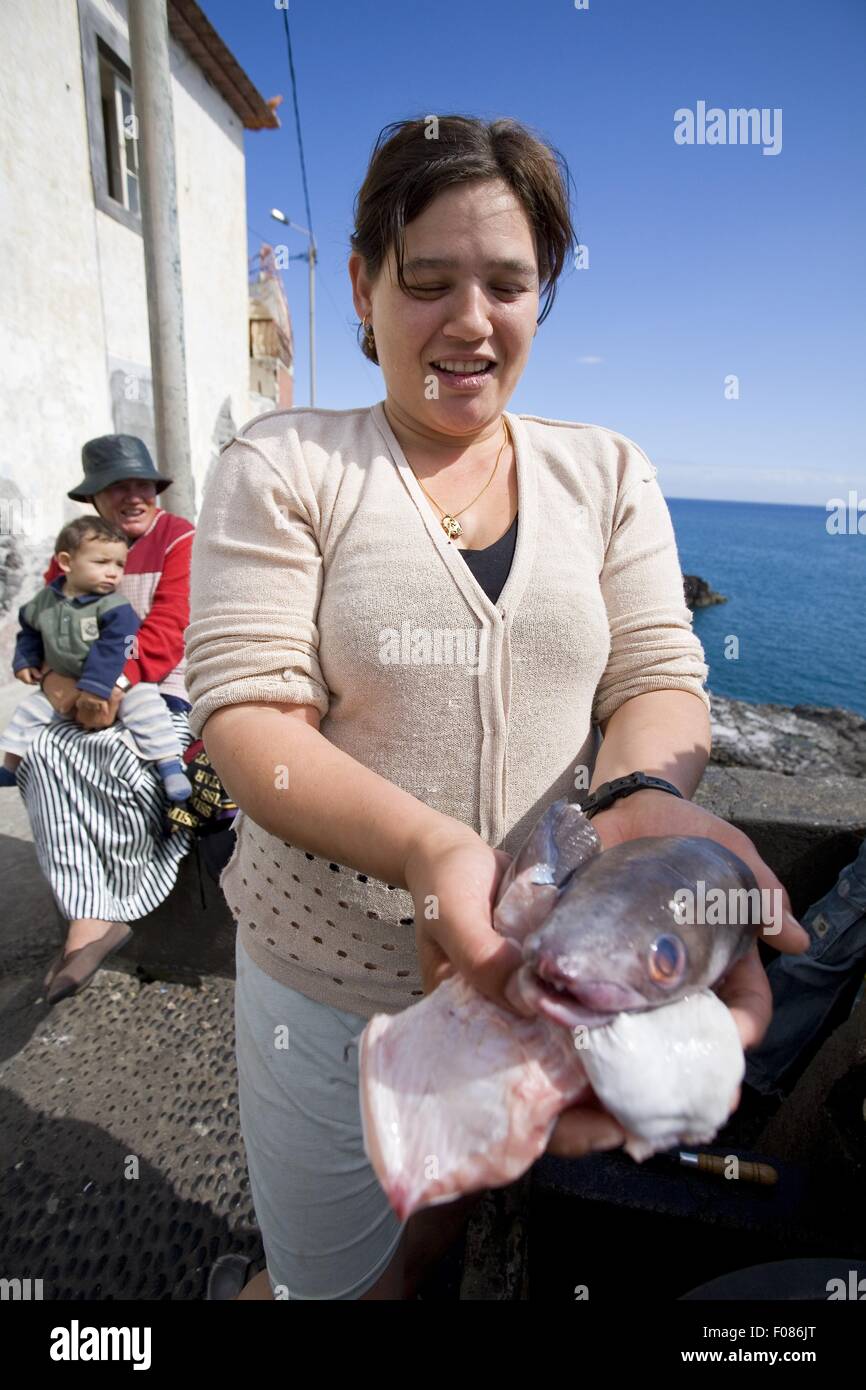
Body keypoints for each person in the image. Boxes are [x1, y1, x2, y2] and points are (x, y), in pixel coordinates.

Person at [185, 115, 810, 1302]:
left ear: (543, 297)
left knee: (435, 1238)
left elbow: (654, 676)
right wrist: (429, 849)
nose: (469, 320)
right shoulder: (284, 464)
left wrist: (634, 798)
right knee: (332, 1278)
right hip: (327, 980)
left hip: (530, 975)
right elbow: (244, 711)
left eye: (507, 284)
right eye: (426, 281)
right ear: (362, 287)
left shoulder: (606, 472)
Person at [16, 434, 196, 1005]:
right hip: (85, 695)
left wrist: (112, 683)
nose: (134, 495)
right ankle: (89, 919)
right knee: (41, 755)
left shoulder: (179, 538)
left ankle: (110, 909)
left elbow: (168, 629)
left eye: (142, 483)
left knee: (121, 762)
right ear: (96, 498)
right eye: (119, 486)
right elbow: (47, 623)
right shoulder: (76, 549)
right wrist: (52, 679)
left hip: (158, 689)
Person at [0, 515, 192, 803]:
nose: (114, 573)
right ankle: (11, 766)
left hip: (117, 680)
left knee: (148, 707)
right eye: (102, 563)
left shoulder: (114, 607)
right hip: (66, 682)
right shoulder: (45, 603)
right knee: (29, 712)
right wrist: (26, 660)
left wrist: (96, 687)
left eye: (119, 565)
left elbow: (118, 646)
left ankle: (169, 764)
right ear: (66, 563)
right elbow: (29, 629)